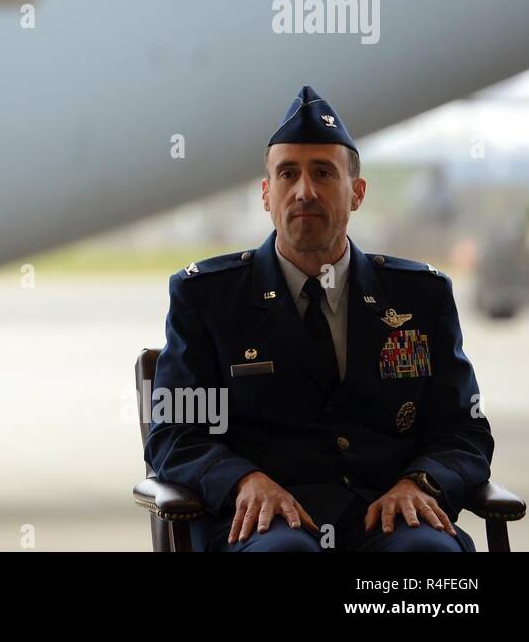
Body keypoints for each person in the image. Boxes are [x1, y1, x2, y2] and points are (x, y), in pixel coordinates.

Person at [145, 85, 493, 551]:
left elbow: (464, 429)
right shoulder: (209, 298)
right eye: (288, 174)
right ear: (267, 194)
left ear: (357, 193)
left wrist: (423, 483)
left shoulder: (420, 296)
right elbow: (175, 432)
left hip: (387, 518)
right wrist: (243, 480)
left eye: (324, 173)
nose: (304, 191)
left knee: (427, 552)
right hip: (266, 524)